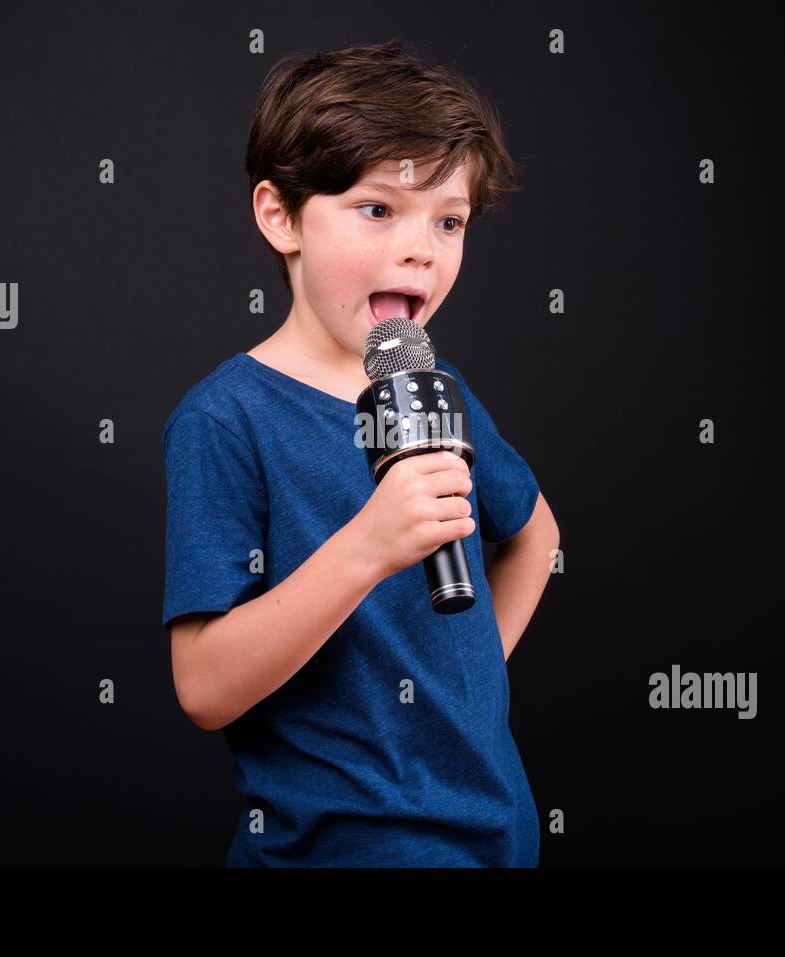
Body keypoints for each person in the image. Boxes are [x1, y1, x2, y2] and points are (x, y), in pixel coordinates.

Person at [162, 38, 560, 866]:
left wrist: (469, 679)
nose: (422, 247)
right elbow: (202, 686)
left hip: (496, 832)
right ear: (282, 217)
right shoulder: (228, 418)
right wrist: (367, 548)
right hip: (338, 847)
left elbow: (536, 535)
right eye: (379, 209)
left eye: (448, 221)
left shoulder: (440, 389)